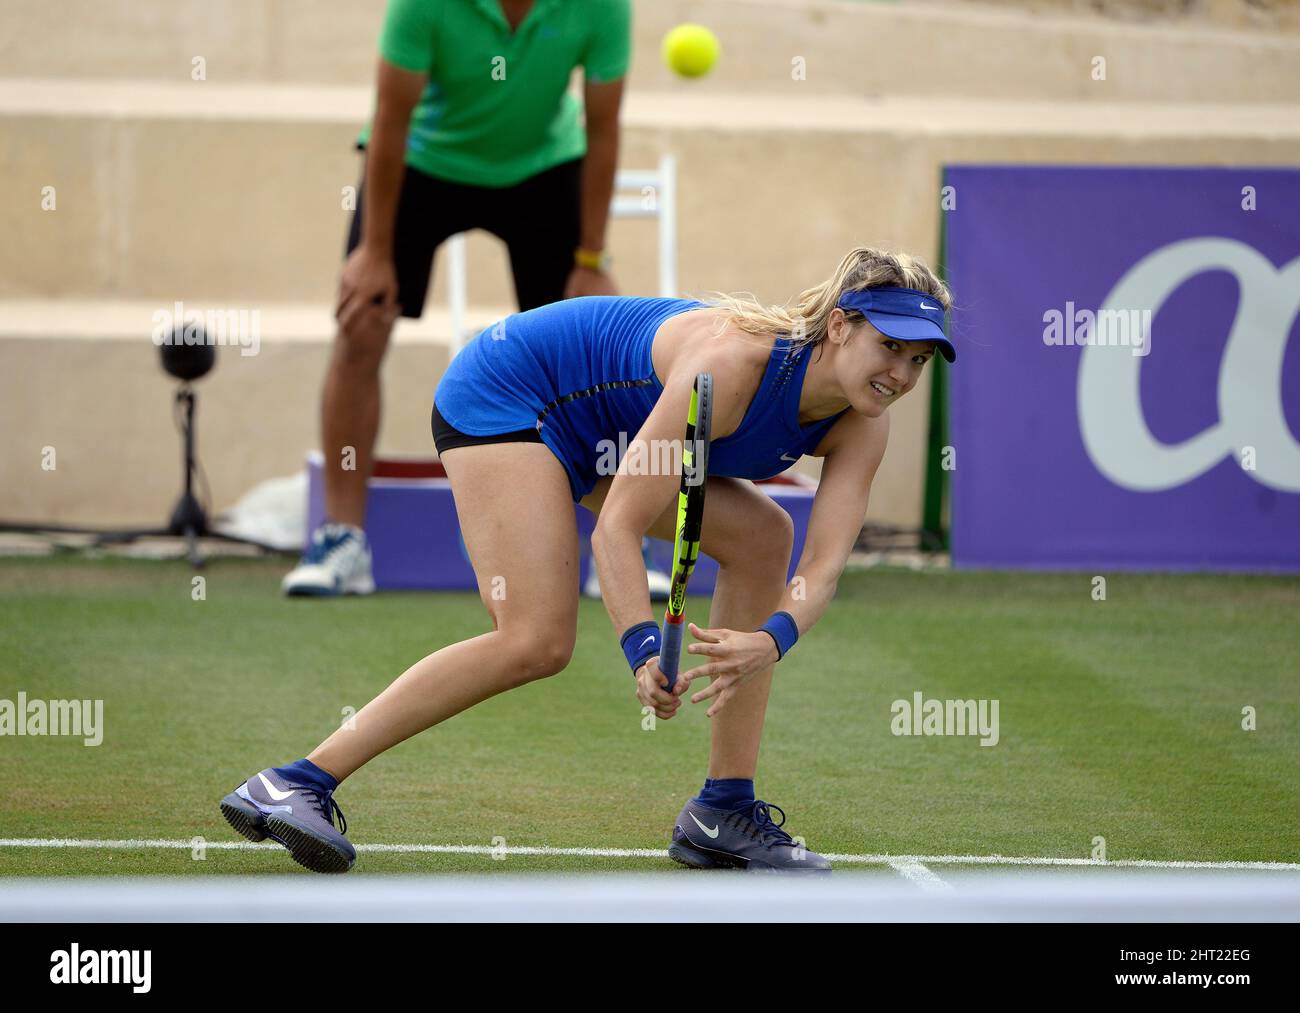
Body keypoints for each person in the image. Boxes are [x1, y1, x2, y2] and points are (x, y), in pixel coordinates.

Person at [222, 247, 956, 874]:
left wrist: (769, 639)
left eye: (918, 360)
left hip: (603, 424)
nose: (900, 372)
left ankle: (722, 810)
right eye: (889, 346)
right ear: (839, 325)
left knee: (764, 535)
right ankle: (294, 781)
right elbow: (619, 527)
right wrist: (641, 646)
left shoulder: (862, 425)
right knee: (535, 639)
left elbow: (822, 565)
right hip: (513, 392)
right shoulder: (728, 371)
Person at [282, 0, 634, 596]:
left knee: (590, 349)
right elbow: (391, 118)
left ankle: (615, 540)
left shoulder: (603, 7)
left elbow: (604, 129)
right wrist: (373, 252)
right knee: (360, 324)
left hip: (541, 168)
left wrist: (591, 260)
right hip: (423, 162)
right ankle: (343, 538)